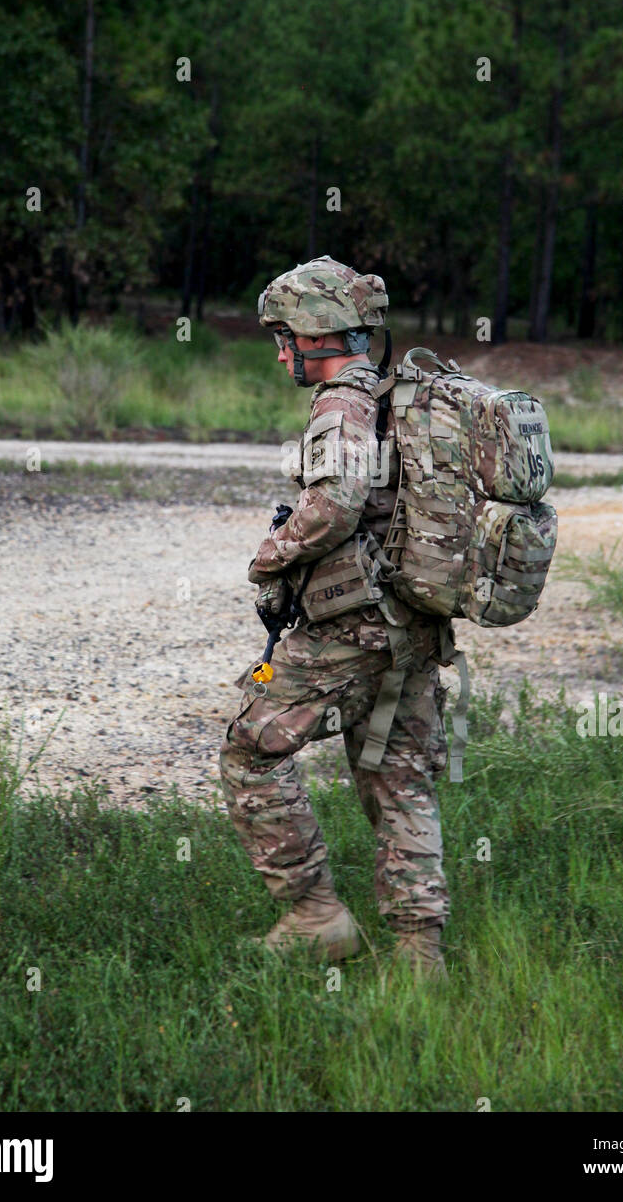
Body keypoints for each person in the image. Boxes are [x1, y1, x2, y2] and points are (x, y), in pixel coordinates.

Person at [219, 255, 452, 981]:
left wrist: (270, 557)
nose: (281, 349)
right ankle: (420, 956)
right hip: (413, 625)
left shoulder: (341, 406)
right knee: (397, 776)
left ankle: (315, 916)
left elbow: (336, 504)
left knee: (251, 750)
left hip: (353, 629)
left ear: (317, 334)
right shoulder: (399, 394)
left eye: (284, 334)